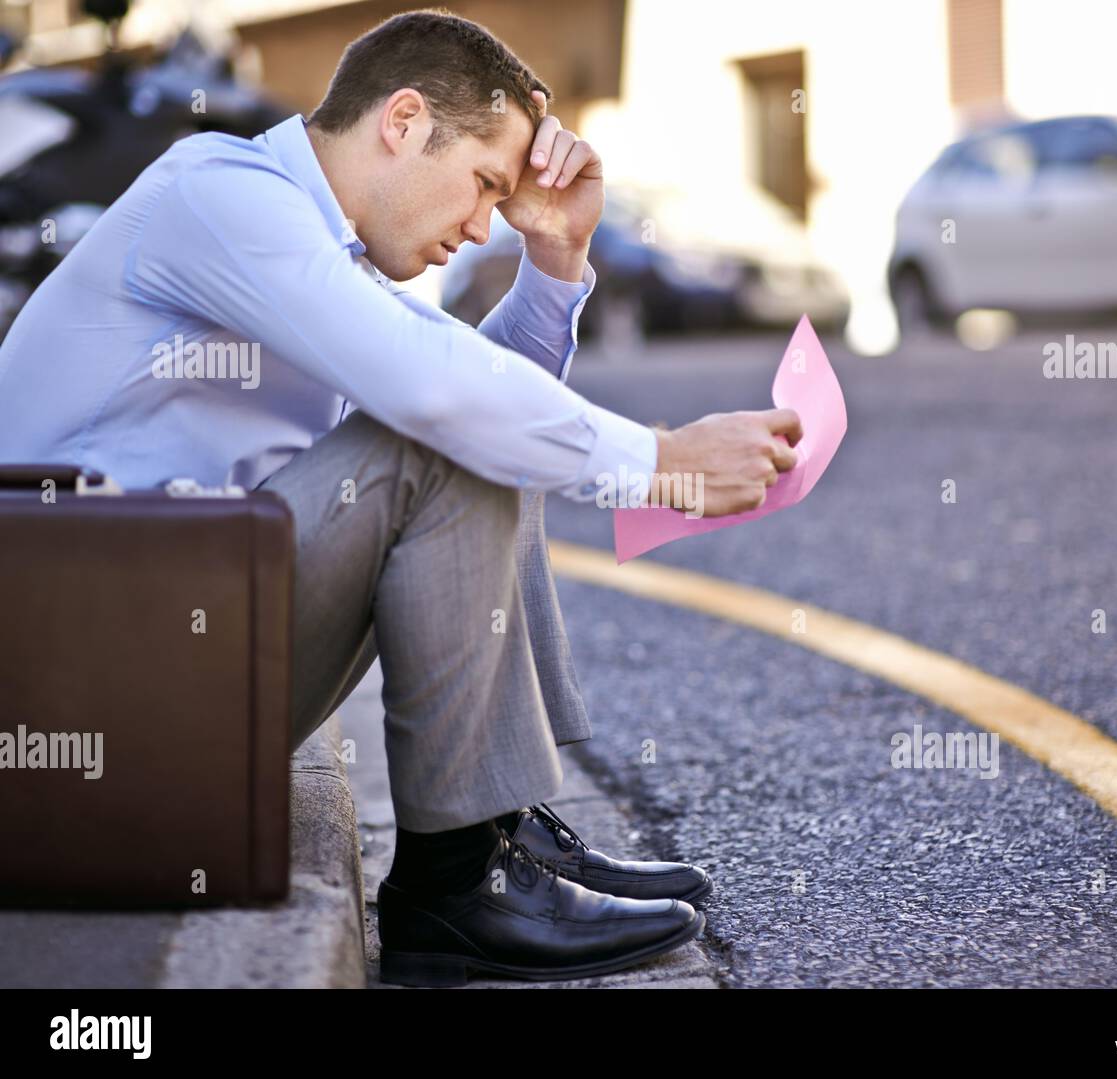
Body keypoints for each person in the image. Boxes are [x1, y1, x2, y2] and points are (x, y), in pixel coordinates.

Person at [0, 7, 802, 986]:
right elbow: (435, 397)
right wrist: (661, 459)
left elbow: (473, 397)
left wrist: (552, 259)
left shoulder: (317, 252)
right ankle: (455, 880)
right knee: (445, 429)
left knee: (474, 428)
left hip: (158, 654)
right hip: (75, 686)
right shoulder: (219, 194)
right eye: (484, 188)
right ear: (405, 120)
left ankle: (495, 831)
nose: (478, 229)